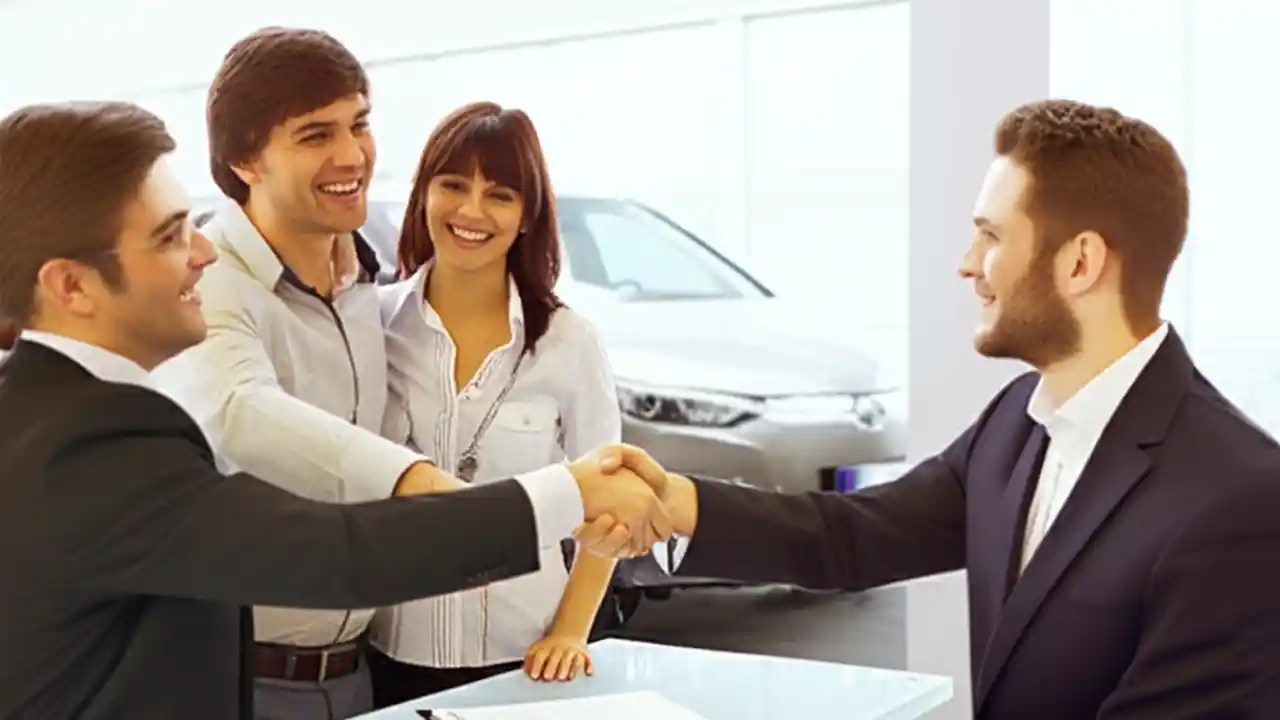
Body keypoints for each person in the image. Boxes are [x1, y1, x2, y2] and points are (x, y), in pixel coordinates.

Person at [0, 100, 671, 720]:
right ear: (70, 286)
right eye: (173, 235)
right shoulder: (94, 446)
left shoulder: (62, 414)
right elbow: (335, 548)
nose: (205, 251)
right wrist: (568, 493)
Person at [625, 99, 1280, 717]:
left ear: (1080, 262)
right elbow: (856, 536)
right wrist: (670, 502)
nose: (968, 265)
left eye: (991, 236)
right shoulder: (1018, 418)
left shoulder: (1240, 498)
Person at [149, 27, 486, 718]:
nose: (350, 154)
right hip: (230, 682)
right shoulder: (205, 280)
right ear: (245, 160)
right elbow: (241, 412)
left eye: (358, 124)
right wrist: (426, 487)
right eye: (314, 135)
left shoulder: (368, 286)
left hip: (356, 677)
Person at [367, 102, 621, 706]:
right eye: (453, 185)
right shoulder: (371, 328)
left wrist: (569, 632)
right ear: (422, 196)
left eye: (500, 194)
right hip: (388, 659)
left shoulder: (569, 342)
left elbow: (610, 507)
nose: (471, 211)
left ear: (528, 215)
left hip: (526, 660)